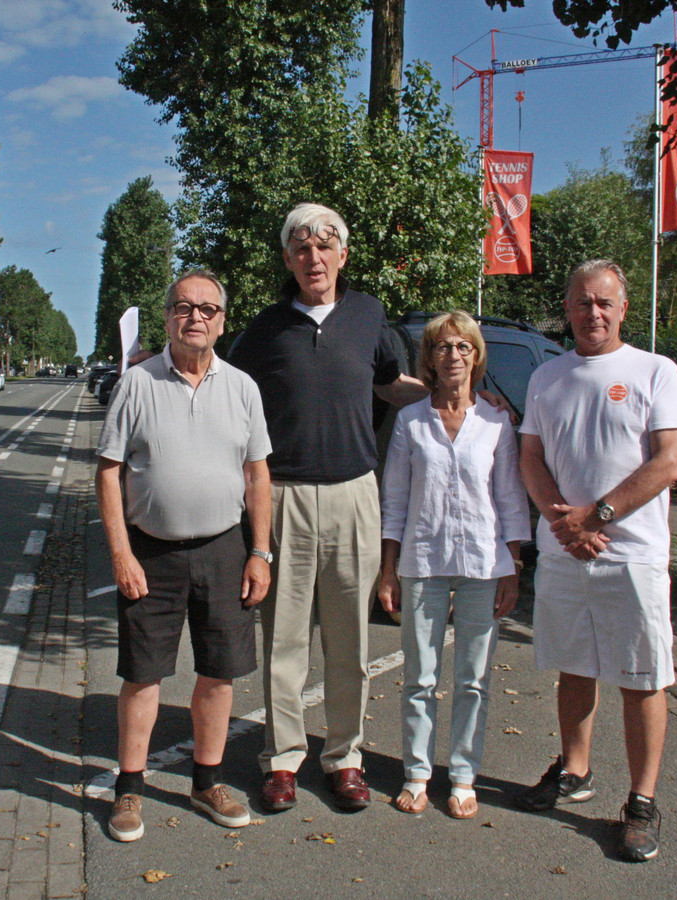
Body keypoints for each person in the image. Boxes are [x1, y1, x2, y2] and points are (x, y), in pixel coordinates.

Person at [227, 203, 426, 812]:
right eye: (302, 247)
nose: (314, 257)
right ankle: (283, 759)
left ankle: (344, 757)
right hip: (282, 496)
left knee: (350, 643)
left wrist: (455, 396)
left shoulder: (369, 315)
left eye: (326, 245)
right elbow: (225, 395)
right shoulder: (262, 331)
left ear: (343, 254)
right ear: (288, 259)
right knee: (284, 640)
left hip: (354, 494)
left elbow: (391, 385)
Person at [515, 259, 677, 862]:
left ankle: (641, 801)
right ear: (567, 309)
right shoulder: (549, 377)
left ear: (623, 308)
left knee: (642, 677)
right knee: (573, 665)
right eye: (581, 303)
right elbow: (531, 460)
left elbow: (668, 462)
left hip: (631, 555)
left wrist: (599, 515)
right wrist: (564, 523)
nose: (592, 313)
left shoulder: (655, 371)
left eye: (603, 303)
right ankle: (576, 770)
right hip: (566, 551)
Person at [95, 270, 273, 842]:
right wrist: (121, 554)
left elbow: (257, 474)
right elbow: (109, 472)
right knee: (142, 676)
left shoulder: (243, 387)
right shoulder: (137, 383)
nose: (194, 317)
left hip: (225, 549)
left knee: (218, 674)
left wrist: (260, 552)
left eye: (207, 309)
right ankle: (128, 790)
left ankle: (207, 781)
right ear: (167, 316)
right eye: (183, 307)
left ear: (222, 320)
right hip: (151, 552)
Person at [377, 311, 530, 819]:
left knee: (472, 677)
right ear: (430, 359)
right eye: (444, 347)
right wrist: (388, 569)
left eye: (464, 347)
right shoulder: (410, 421)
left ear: (476, 356)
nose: (454, 356)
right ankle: (417, 773)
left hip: (483, 565)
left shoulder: (495, 422)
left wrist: (513, 564)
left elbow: (509, 496)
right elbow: (394, 499)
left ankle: (463, 776)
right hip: (422, 562)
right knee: (420, 677)